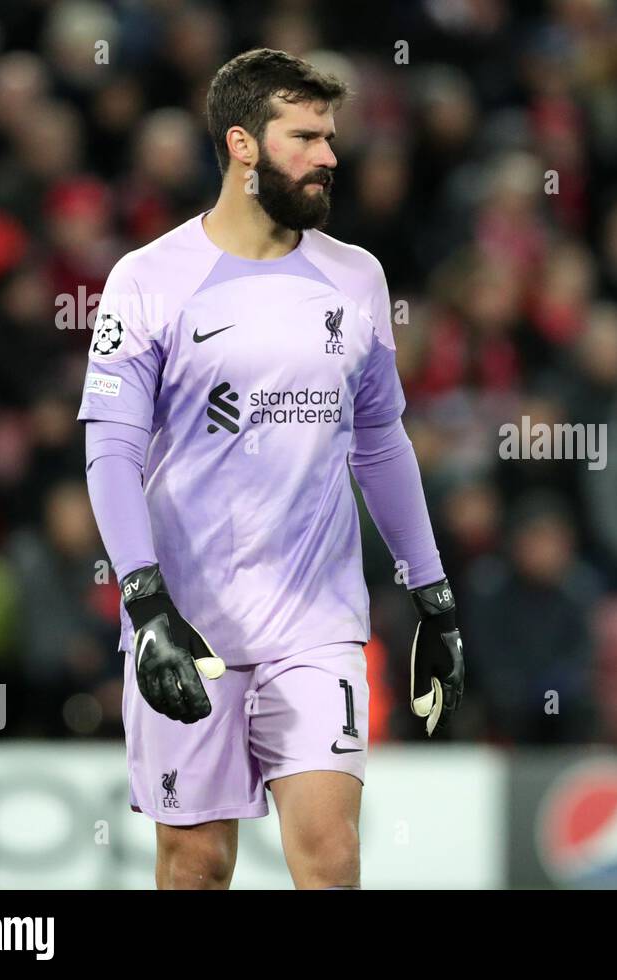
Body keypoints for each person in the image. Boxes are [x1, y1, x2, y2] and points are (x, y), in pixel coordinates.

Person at [76, 49, 463, 889]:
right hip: (188, 620)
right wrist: (145, 605)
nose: (330, 155)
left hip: (316, 623)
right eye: (307, 137)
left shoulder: (356, 277)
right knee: (196, 865)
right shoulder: (146, 280)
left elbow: (381, 443)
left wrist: (432, 595)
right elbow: (109, 446)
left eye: (331, 136)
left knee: (330, 859)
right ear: (243, 145)